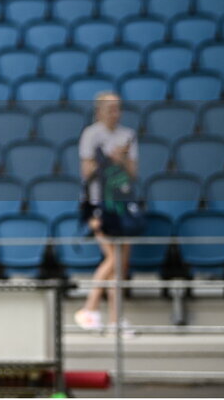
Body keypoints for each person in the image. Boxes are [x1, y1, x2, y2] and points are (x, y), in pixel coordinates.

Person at [74, 91, 139, 335]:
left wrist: (121, 160)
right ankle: (89, 308)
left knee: (120, 264)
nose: (116, 113)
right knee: (113, 258)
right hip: (99, 204)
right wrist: (109, 158)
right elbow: (87, 172)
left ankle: (115, 319)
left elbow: (132, 174)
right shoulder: (92, 135)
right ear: (99, 111)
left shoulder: (128, 135)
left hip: (121, 204)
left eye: (118, 108)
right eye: (111, 109)